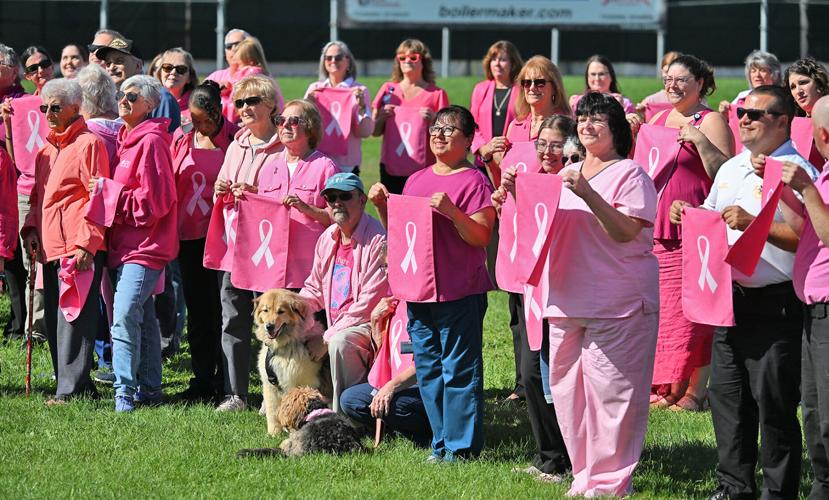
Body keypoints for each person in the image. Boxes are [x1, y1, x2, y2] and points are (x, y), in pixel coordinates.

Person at [670, 85, 818, 499]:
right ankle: (733, 487)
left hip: (777, 301)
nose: (745, 120)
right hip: (729, 298)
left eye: (756, 114)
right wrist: (688, 214)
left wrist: (754, 223)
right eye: (741, 113)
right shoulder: (733, 166)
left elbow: (806, 239)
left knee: (774, 404)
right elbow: (713, 217)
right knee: (727, 399)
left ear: (783, 121)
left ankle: (778, 491)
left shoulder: (797, 171)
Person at [542, 92, 658, 497]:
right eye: (583, 118)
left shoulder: (631, 173)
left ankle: (611, 483)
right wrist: (515, 197)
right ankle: (584, 475)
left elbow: (626, 231)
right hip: (565, 297)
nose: (587, 125)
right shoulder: (567, 172)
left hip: (617, 301)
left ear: (616, 130)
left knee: (611, 394)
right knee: (569, 395)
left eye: (597, 120)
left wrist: (589, 193)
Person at [369, 105, 496, 462]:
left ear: (468, 140)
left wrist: (453, 212)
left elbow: (481, 236)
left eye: (449, 129)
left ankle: (461, 448)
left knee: (458, 370)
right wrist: (382, 207)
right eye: (436, 128)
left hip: (459, 290)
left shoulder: (475, 181)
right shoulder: (416, 180)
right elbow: (402, 236)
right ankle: (441, 443)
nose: (439, 134)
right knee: (428, 370)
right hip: (420, 290)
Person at [646, 54, 734, 410]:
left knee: (694, 314)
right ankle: (665, 385)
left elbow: (727, 174)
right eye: (668, 78)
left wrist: (700, 140)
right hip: (658, 228)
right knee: (665, 312)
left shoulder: (711, 121)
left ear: (700, 83)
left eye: (681, 79)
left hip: (696, 229)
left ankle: (695, 392)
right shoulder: (658, 119)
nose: (673, 85)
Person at [494, 115, 576, 482]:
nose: (547, 151)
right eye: (542, 144)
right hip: (527, 289)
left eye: (556, 145)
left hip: (562, 292)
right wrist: (510, 195)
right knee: (529, 375)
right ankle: (549, 457)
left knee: (557, 378)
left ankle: (570, 458)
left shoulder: (575, 181)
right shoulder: (529, 179)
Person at [22, 78, 109, 404]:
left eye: (55, 107)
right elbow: (37, 198)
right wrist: (31, 228)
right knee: (56, 319)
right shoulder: (45, 151)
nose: (48, 113)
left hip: (77, 244)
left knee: (75, 318)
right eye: (44, 107)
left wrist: (88, 243)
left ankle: (70, 390)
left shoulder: (89, 144)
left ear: (75, 107)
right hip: (50, 245)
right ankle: (73, 385)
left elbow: (98, 198)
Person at [98, 75, 178, 412]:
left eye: (131, 96)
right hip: (125, 246)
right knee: (142, 316)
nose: (123, 100)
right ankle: (151, 389)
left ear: (149, 104)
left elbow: (156, 202)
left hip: (146, 248)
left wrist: (110, 195)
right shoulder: (126, 139)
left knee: (124, 313)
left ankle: (123, 392)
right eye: (120, 94)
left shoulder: (152, 142)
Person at [212, 75, 282, 412]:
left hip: (268, 249)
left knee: (272, 322)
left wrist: (256, 194)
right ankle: (235, 394)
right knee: (233, 318)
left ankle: (274, 392)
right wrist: (220, 189)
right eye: (239, 103)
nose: (244, 108)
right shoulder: (235, 146)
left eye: (252, 101)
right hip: (235, 246)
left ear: (271, 106)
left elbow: (285, 196)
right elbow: (219, 186)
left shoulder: (284, 147)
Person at [299, 172, 390, 412]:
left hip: (369, 326)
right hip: (338, 324)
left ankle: (347, 418)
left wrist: (326, 338)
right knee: (287, 330)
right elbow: (314, 287)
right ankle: (291, 409)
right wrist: (292, 311)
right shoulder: (327, 238)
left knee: (340, 341)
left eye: (345, 196)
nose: (337, 202)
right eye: (331, 198)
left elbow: (368, 304)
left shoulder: (378, 240)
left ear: (362, 200)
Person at [171, 80, 238, 401]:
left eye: (205, 120)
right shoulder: (182, 137)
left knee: (223, 310)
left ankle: (227, 381)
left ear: (218, 112)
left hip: (224, 238)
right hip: (189, 236)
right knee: (197, 311)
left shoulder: (235, 139)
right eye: (194, 119)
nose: (199, 126)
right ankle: (201, 379)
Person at [782, 95, 829, 498]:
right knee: (813, 409)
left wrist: (806, 188)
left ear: (822, 135)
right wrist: (784, 193)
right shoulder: (826, 171)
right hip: (814, 306)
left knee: (827, 410)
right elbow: (808, 230)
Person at [76, 63, 121, 384]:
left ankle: (111, 361)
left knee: (103, 297)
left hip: (96, 223)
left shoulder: (88, 135)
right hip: (127, 223)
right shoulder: (126, 129)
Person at [340, 297, 430, 446]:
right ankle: (395, 430)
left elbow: (425, 364)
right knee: (350, 400)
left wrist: (390, 387)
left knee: (394, 404)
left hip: (423, 386)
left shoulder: (425, 305)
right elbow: (382, 358)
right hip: (394, 381)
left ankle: (426, 436)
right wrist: (376, 321)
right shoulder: (395, 303)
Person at [372, 39, 449, 194]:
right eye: (402, 57)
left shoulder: (436, 94)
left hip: (424, 167)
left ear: (423, 61)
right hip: (390, 166)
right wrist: (381, 118)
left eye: (413, 57)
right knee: (392, 206)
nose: (407, 61)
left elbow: (448, 134)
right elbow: (374, 131)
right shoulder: (388, 90)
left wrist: (433, 120)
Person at [484, 55, 569, 185]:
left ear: (554, 87)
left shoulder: (565, 125)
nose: (532, 87)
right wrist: (488, 158)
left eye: (539, 82)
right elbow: (503, 183)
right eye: (527, 83)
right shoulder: (515, 126)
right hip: (515, 197)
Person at [304, 40, 374, 174]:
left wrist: (362, 106)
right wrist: (308, 104)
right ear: (324, 62)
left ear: (348, 61)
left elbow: (365, 132)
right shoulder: (315, 89)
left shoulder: (359, 91)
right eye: (328, 58)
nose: (333, 61)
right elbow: (304, 126)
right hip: (318, 162)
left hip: (346, 165)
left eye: (338, 57)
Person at [95, 36, 180, 133]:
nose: (111, 67)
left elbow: (165, 138)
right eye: (108, 63)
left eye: (119, 61)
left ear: (138, 65)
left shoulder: (160, 96)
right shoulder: (110, 96)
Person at [469, 41, 522, 174]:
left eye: (503, 59)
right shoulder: (480, 89)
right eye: (493, 59)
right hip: (483, 160)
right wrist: (483, 148)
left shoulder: (522, 91)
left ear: (513, 64)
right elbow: (472, 125)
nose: (497, 64)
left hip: (512, 162)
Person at [785, 57, 829, 167]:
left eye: (803, 82)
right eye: (793, 87)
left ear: (819, 83)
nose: (798, 91)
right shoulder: (790, 125)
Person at [719, 50, 782, 115]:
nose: (757, 75)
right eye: (753, 71)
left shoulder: (782, 99)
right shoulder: (742, 97)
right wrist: (725, 113)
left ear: (774, 73)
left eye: (763, 70)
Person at [570, 55, 636, 115]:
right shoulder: (576, 101)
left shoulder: (625, 103)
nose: (597, 78)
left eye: (601, 74)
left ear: (611, 76)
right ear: (587, 77)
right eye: (593, 74)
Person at [156, 47, 197, 114]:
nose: (173, 72)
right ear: (160, 73)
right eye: (168, 67)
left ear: (189, 78)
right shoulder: (149, 104)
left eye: (181, 69)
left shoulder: (197, 108)